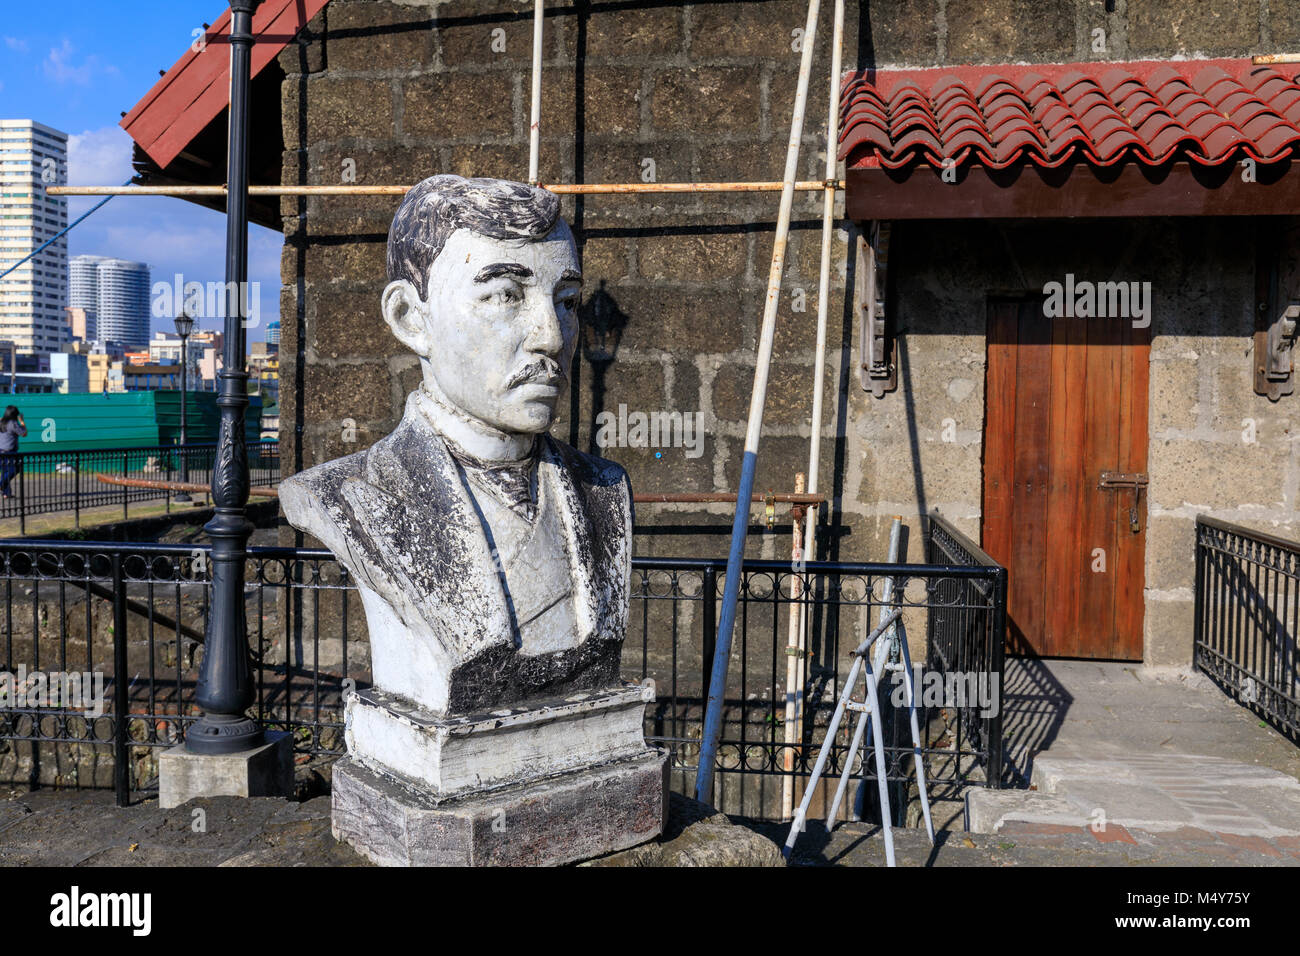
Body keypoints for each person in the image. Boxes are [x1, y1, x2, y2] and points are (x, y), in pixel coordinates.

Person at [279, 176, 633, 716]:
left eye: (566, 300)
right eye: (504, 296)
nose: (553, 337)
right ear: (410, 319)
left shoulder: (603, 490)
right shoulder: (346, 495)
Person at [0, 405, 26, 499]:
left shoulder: (2, 421)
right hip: (9, 451)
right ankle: (1, 484)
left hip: (1, 451)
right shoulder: (13, 423)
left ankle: (6, 493)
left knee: (5, 471)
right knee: (16, 468)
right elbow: (23, 433)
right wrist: (22, 422)